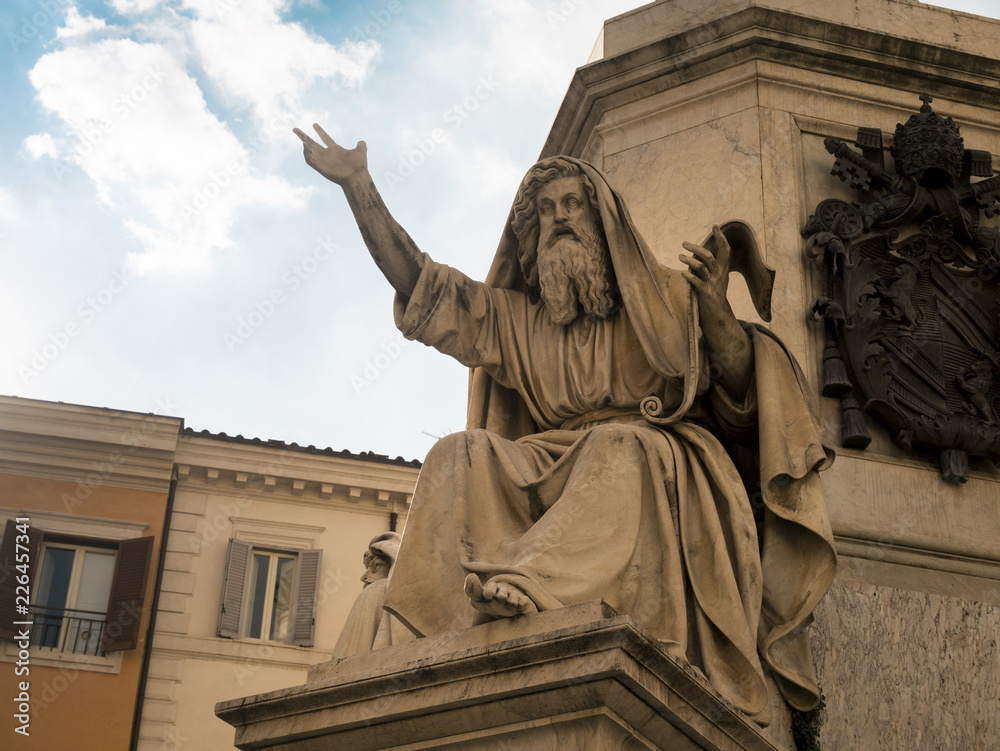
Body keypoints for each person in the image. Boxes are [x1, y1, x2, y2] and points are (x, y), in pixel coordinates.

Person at [294, 124, 836, 724]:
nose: (559, 219)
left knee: (616, 445)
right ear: (530, 237)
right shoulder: (517, 320)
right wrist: (359, 188)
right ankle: (426, 623)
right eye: (546, 211)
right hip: (549, 458)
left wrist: (717, 317)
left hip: (657, 456)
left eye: (572, 204)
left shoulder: (665, 296)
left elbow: (745, 397)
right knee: (456, 452)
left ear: (603, 223)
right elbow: (422, 284)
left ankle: (535, 585)